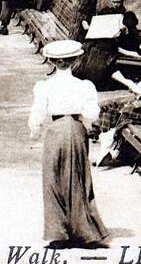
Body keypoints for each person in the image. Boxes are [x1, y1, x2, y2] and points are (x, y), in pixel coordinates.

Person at [28, 39, 108, 248]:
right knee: (80, 177)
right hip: (76, 128)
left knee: (53, 178)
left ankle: (58, 233)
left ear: (53, 62)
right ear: (74, 61)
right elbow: (92, 114)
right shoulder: (84, 86)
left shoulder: (44, 86)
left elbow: (38, 112)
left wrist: (34, 129)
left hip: (55, 130)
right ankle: (84, 231)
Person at [76, 0, 141, 89]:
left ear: (122, 0)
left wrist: (126, 30)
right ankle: (85, 76)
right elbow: (97, 26)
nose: (115, 4)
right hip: (101, 41)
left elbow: (133, 35)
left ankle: (97, 80)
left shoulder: (128, 15)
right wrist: (89, 27)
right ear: (110, 0)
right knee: (89, 49)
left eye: (118, 1)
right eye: (113, 1)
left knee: (102, 52)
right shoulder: (104, 12)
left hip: (117, 43)